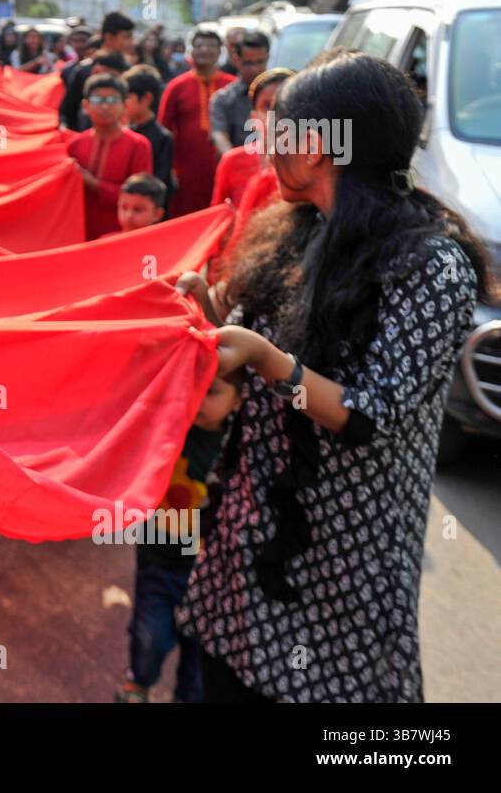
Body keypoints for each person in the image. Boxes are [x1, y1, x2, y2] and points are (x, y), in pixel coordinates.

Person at [175, 49, 492, 702]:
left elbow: (367, 415)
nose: (265, 147)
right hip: (245, 543)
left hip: (341, 572)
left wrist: (265, 358)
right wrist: (205, 317)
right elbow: (237, 373)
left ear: (317, 145)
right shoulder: (294, 231)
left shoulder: (431, 263)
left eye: (278, 131)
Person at [115, 367, 242, 703]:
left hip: (210, 575)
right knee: (150, 637)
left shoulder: (239, 447)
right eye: (195, 386)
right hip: (159, 558)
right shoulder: (173, 426)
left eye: (212, 392)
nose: (199, 398)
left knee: (199, 659)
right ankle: (138, 681)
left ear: (239, 399)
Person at [66, 73, 153, 241]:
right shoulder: (74, 144)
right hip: (78, 232)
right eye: (98, 100)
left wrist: (93, 183)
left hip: (120, 236)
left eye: (112, 100)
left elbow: (140, 198)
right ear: (86, 106)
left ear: (125, 105)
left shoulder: (138, 145)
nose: (105, 107)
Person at [157, 30, 234, 217]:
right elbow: (163, 130)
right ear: (190, 51)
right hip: (185, 171)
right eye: (198, 46)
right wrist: (169, 168)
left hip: (223, 166)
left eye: (210, 46)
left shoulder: (232, 86)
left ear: (220, 51)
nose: (204, 50)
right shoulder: (176, 86)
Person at [211, 67, 292, 207]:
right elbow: (218, 218)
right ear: (254, 118)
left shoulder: (311, 161)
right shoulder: (231, 162)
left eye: (284, 104)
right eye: (267, 106)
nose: (276, 113)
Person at [60, 11, 135, 130]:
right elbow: (68, 112)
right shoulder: (83, 71)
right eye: (126, 37)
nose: (132, 43)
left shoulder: (131, 72)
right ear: (109, 37)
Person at [210, 30, 269, 155]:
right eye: (248, 63)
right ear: (236, 60)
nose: (255, 69)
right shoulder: (223, 99)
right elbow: (219, 136)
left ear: (268, 57)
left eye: (260, 62)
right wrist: (233, 160)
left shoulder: (280, 94)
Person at [122, 64, 175, 199]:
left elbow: (159, 183)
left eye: (127, 97)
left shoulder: (163, 137)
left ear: (146, 98)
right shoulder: (125, 131)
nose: (123, 103)